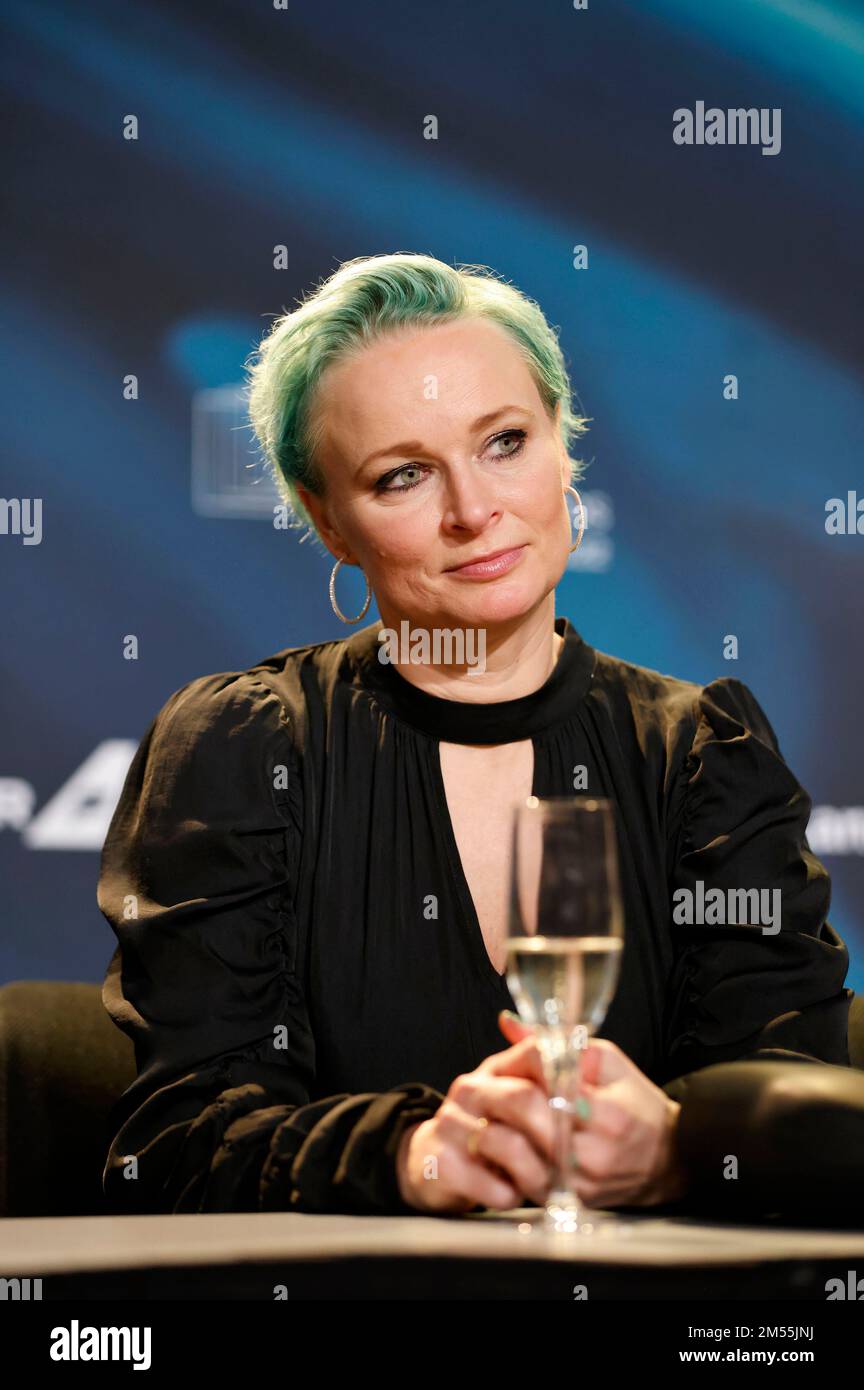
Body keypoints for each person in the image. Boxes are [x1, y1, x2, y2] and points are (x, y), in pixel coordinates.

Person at [98, 252, 851, 1217]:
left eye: (504, 442)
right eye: (404, 475)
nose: (474, 510)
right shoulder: (249, 747)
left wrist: (671, 1150)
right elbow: (174, 1151)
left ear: (563, 447)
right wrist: (418, 1157)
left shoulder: (705, 758)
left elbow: (804, 1122)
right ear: (329, 521)